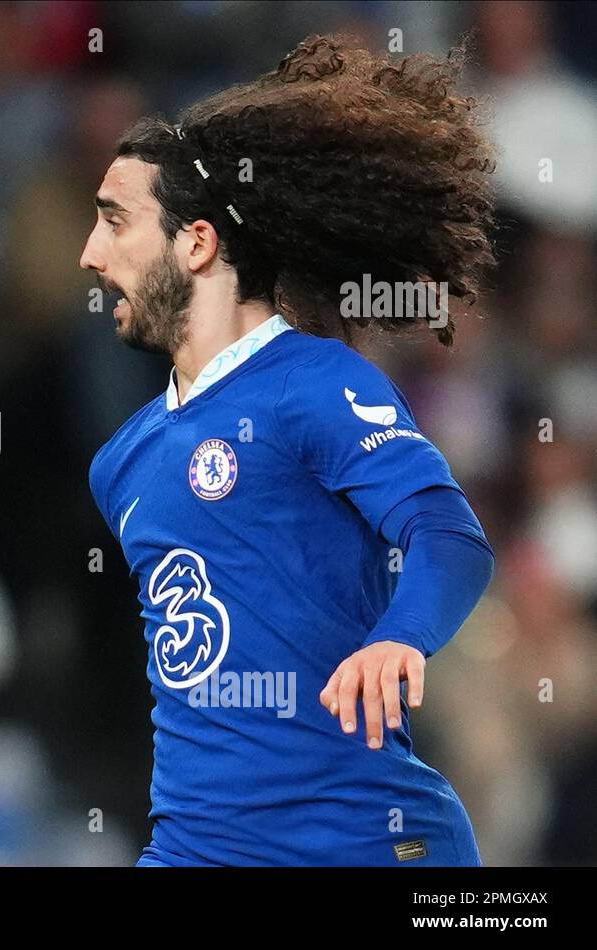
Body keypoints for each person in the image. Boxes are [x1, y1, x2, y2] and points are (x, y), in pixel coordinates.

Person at [79, 35, 497, 866]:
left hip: (367, 842)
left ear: (196, 244)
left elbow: (449, 539)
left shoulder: (312, 383)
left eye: (114, 219)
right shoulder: (120, 463)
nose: (89, 253)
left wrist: (399, 637)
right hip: (195, 849)